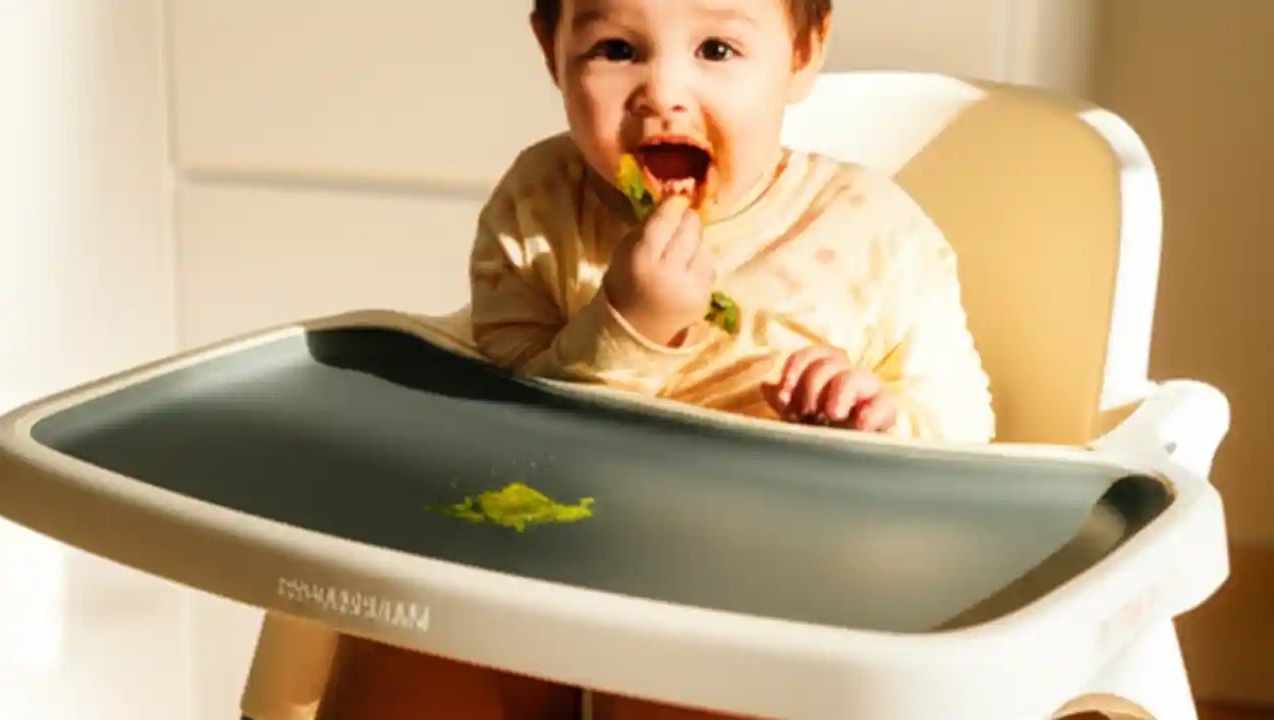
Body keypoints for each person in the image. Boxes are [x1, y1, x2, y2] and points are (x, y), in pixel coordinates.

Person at [316, 0, 994, 717]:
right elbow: (503, 440)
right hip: (548, 572)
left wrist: (876, 424)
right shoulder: (540, 208)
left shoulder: (874, 232)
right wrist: (625, 325)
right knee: (408, 642)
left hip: (772, 600)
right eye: (615, 50)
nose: (663, 93)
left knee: (702, 685)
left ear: (803, 51)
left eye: (717, 51)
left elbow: (965, 430)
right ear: (552, 49)